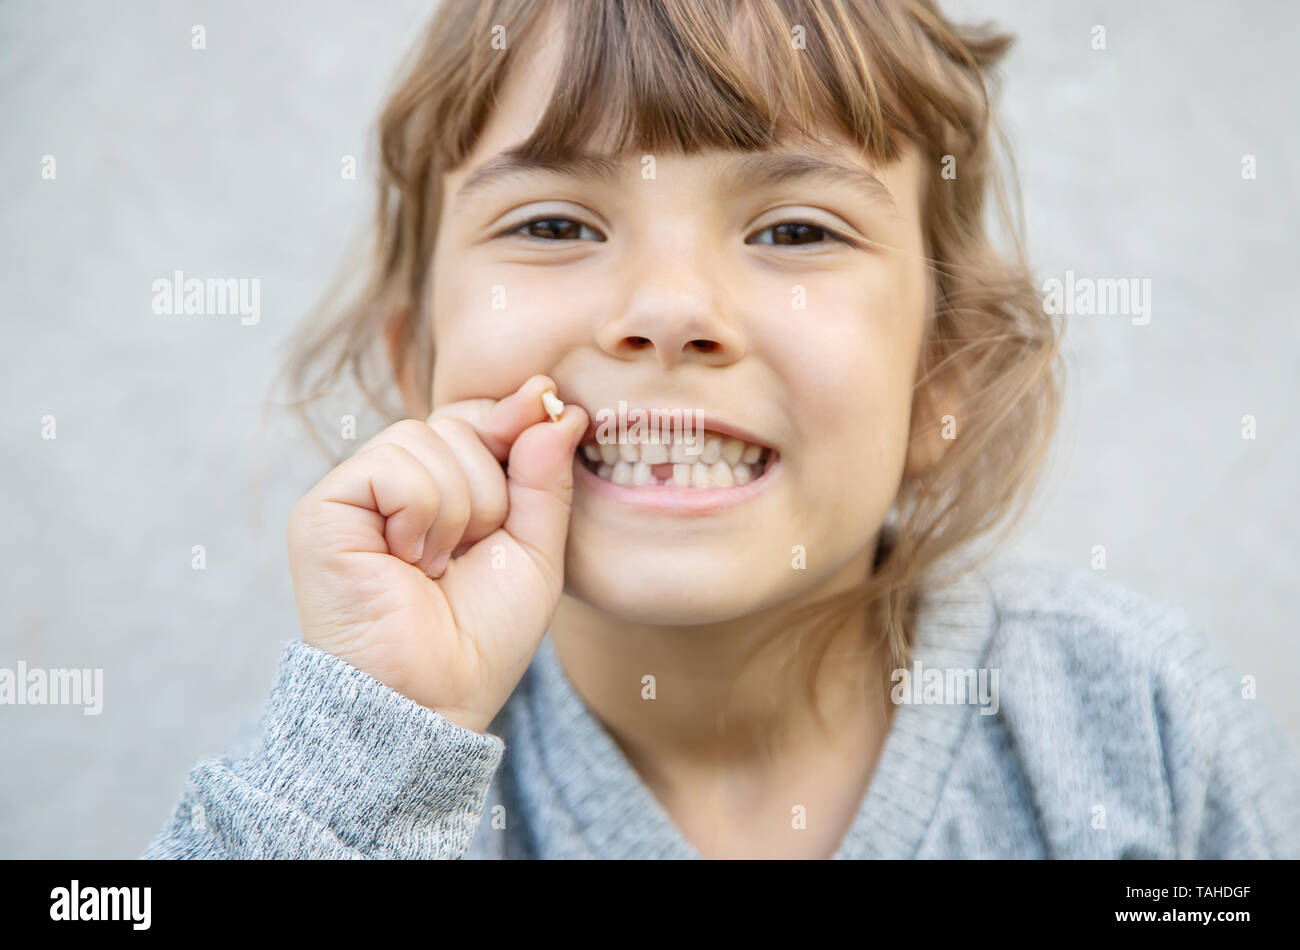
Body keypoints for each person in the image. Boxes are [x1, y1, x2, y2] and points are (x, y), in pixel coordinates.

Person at [143, 0, 1300, 859]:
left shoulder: (1132, 726)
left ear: (940, 374)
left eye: (794, 231)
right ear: (419, 367)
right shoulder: (363, 778)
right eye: (553, 221)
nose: (667, 311)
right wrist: (380, 735)